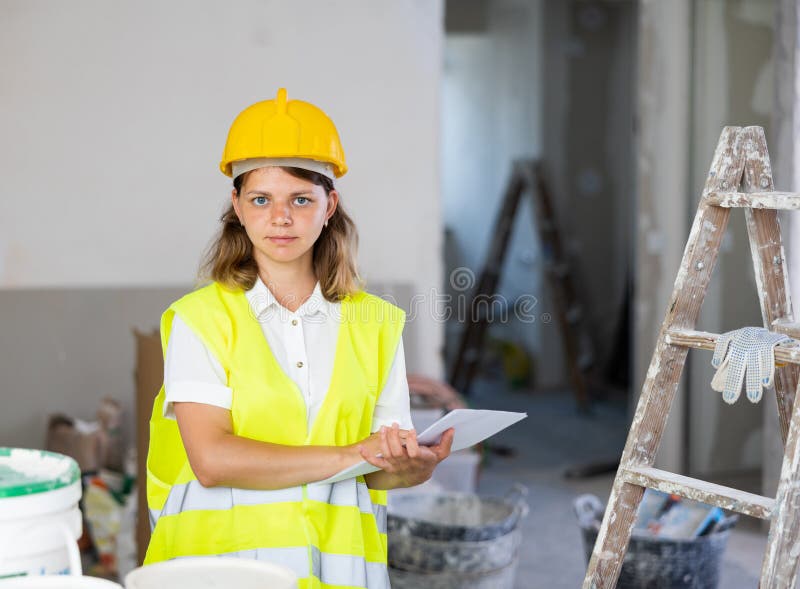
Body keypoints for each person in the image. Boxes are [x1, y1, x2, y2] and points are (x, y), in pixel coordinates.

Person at [144, 88, 455, 589]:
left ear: (329, 205)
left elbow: (379, 468)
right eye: (261, 199)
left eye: (301, 199)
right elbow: (213, 460)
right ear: (237, 206)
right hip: (224, 569)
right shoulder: (199, 320)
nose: (280, 218)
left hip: (336, 568)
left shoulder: (377, 323)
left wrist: (413, 468)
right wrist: (357, 454)